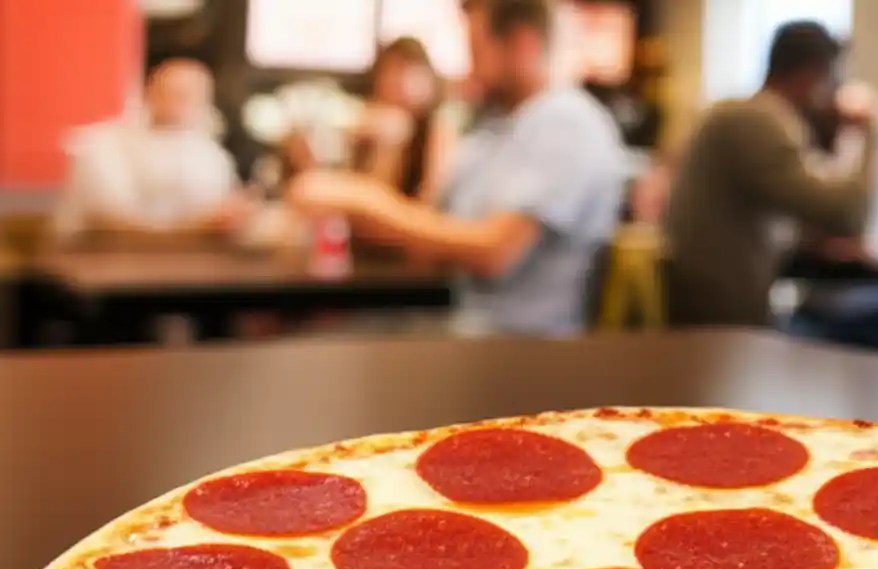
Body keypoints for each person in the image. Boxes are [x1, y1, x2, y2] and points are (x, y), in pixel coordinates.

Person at [289, 0, 626, 337]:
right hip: (462, 325)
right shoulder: (497, 127)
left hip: (520, 347)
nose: (469, 68)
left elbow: (494, 252)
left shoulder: (565, 121)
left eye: (476, 50)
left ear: (522, 44)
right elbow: (431, 225)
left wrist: (364, 201)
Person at [664, 21, 878, 326]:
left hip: (713, 310)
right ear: (812, 75)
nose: (836, 96)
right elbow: (847, 214)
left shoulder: (742, 115)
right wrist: (873, 135)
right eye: (834, 81)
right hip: (722, 322)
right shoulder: (755, 121)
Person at [56, 59, 253, 239]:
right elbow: (110, 221)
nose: (179, 104)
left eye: (189, 96)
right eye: (173, 93)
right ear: (150, 93)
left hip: (190, 267)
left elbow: (225, 213)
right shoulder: (102, 145)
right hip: (99, 264)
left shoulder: (213, 156)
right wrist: (196, 228)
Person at [285, 38, 457, 206]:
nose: (400, 83)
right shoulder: (368, 123)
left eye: (409, 72)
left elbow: (426, 207)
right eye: (391, 72)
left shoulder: (438, 132)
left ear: (430, 80)